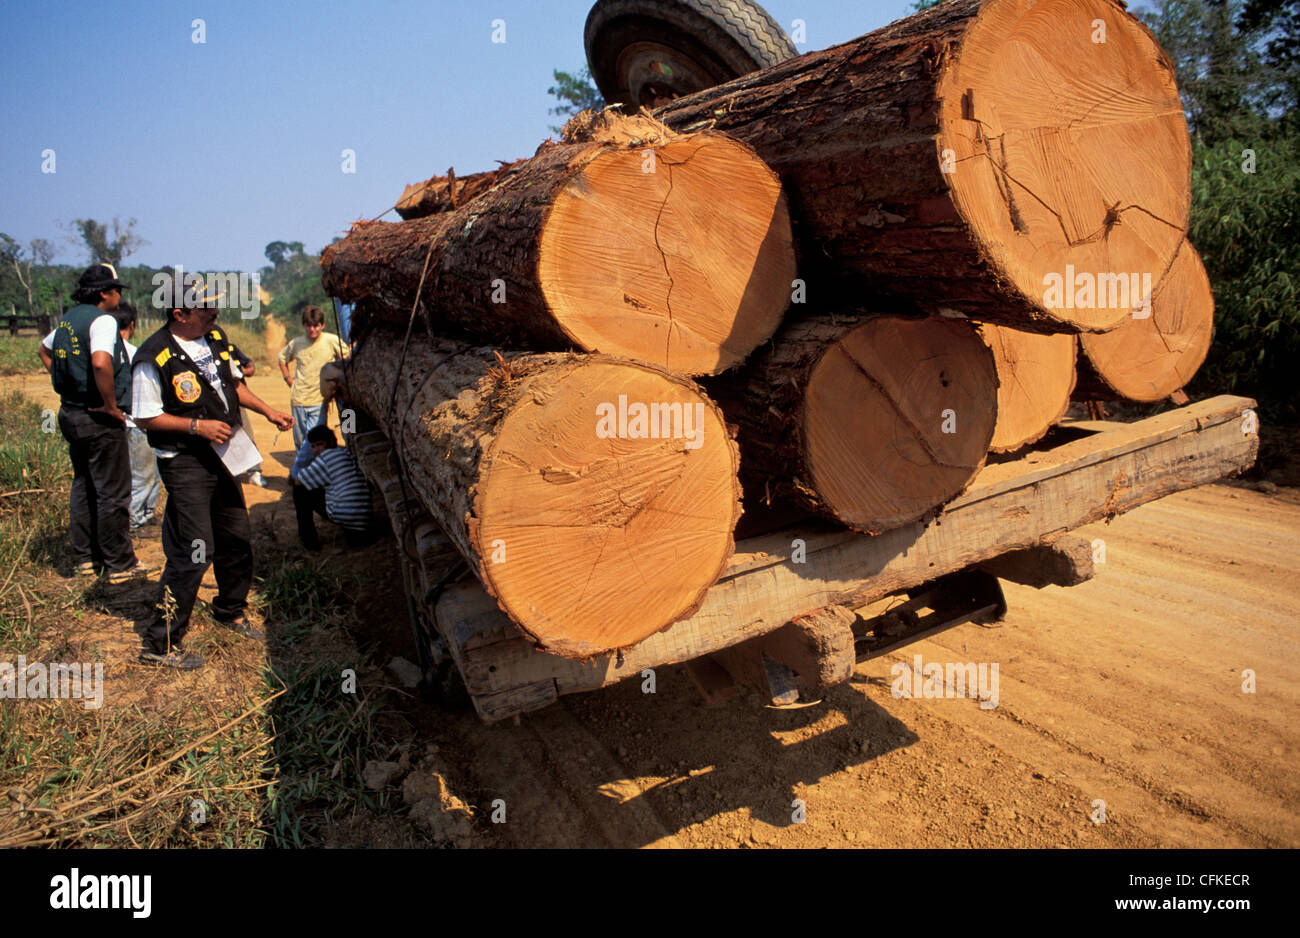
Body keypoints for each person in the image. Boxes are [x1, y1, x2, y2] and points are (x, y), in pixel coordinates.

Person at [131, 280, 293, 669]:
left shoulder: (215, 338)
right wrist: (195, 427)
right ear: (179, 313)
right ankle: (161, 643)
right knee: (194, 548)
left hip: (225, 455)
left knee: (236, 534)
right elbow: (144, 415)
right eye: (203, 308)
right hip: (185, 462)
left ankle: (230, 610)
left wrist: (268, 411)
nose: (213, 312)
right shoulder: (154, 356)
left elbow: (234, 386)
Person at [37, 263, 148, 583]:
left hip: (70, 414)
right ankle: (119, 564)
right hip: (97, 418)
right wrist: (110, 405)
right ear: (104, 293)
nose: (118, 296)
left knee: (84, 485)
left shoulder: (68, 319)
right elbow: (101, 363)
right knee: (113, 492)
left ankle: (86, 559)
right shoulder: (103, 320)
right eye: (116, 290)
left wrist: (69, 380)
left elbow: (44, 351)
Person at [115, 301, 161, 535]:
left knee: (148, 474)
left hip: (129, 422)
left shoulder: (104, 350)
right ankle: (131, 523)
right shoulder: (134, 353)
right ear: (132, 325)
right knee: (143, 476)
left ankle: (146, 516)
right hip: (137, 423)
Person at [292, 426, 373, 551]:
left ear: (330, 442)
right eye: (313, 446)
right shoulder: (345, 452)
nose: (316, 450)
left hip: (345, 515)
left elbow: (298, 481)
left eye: (319, 444)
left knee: (300, 491)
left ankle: (309, 542)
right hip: (363, 519)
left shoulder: (326, 457)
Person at [278, 305, 347, 449]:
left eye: (316, 326)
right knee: (301, 442)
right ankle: (304, 469)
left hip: (319, 400)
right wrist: (287, 378)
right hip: (298, 400)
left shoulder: (332, 340)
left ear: (322, 325)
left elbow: (347, 358)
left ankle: (316, 468)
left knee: (316, 440)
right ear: (304, 325)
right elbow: (282, 358)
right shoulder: (296, 343)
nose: (312, 330)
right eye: (309, 326)